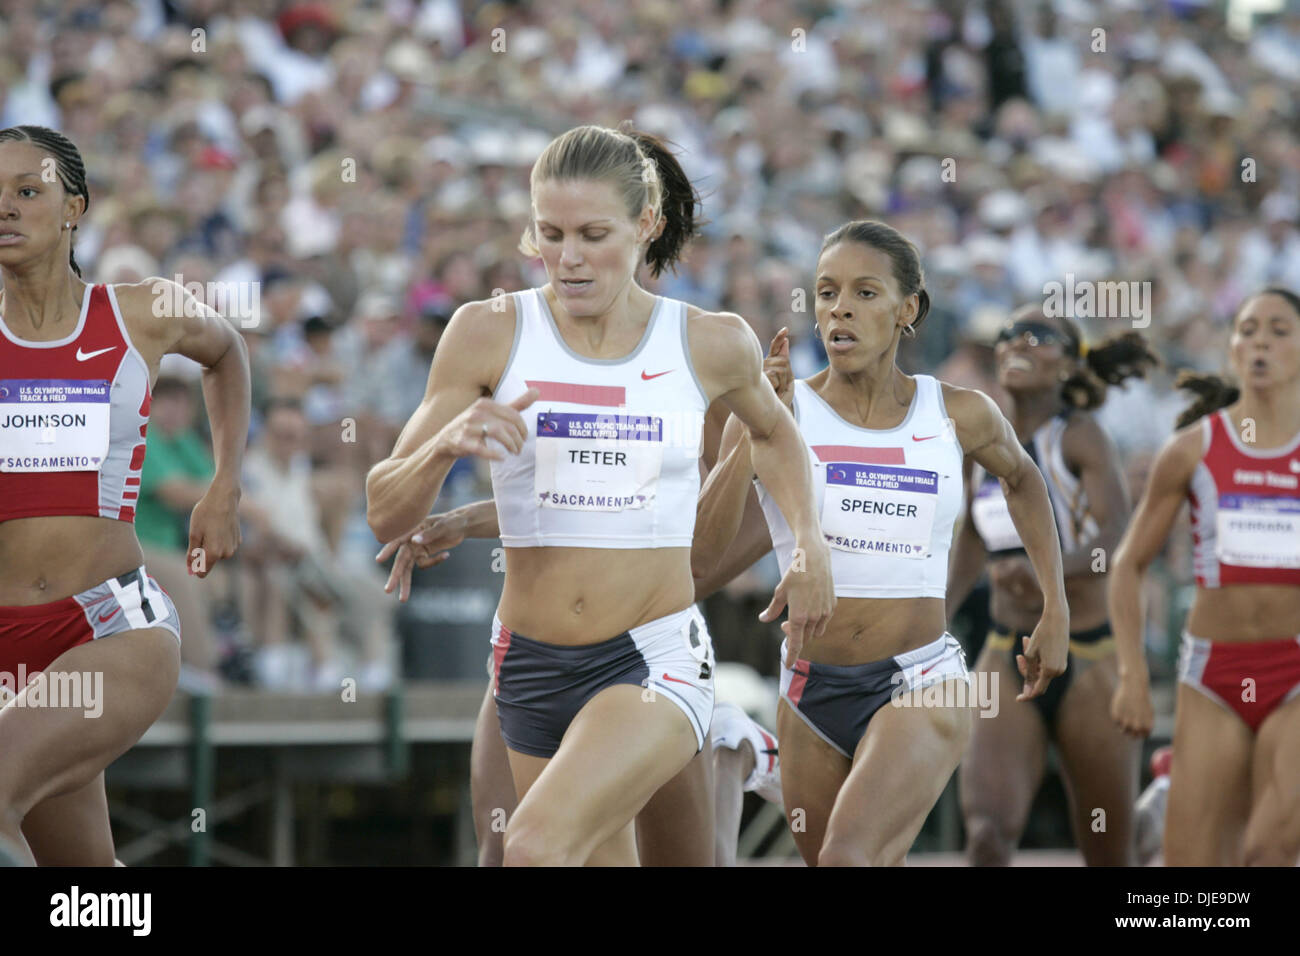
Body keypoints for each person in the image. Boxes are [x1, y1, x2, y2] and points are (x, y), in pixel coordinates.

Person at [365, 124, 834, 866]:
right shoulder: (487, 332)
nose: (568, 257)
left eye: (592, 234)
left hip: (650, 657)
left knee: (531, 848)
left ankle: (724, 741)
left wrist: (807, 546)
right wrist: (443, 450)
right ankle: (734, 753)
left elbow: (776, 436)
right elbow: (384, 509)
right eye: (549, 234)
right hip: (525, 663)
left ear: (646, 225)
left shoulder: (708, 342)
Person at [692, 220, 1070, 866]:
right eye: (826, 292)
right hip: (810, 691)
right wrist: (750, 433)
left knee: (848, 857)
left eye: (865, 293)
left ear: (908, 310)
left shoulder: (958, 412)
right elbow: (700, 566)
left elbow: (1024, 480)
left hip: (922, 679)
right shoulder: (784, 414)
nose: (839, 307)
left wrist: (1053, 605)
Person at [0, 125, 250, 865]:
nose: (5, 209)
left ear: (74, 207)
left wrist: (224, 485)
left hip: (108, 627)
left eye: (26, 191)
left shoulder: (141, 311)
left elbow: (227, 351)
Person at [947, 304, 1159, 865]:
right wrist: (928, 620)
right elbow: (969, 542)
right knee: (987, 836)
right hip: (1005, 650)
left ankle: (1150, 829)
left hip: (1089, 654)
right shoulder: (979, 443)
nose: (1019, 341)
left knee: (1107, 851)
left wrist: (1048, 571)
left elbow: (1117, 542)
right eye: (1009, 332)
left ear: (1068, 364)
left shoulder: (1082, 438)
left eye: (1038, 335)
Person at [1110, 288, 1300, 867]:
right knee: (1193, 878)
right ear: (1232, 349)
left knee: (1268, 849)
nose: (1260, 340)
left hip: (1294, 669)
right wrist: (1133, 676)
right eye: (1247, 329)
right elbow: (1126, 566)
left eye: (1278, 329)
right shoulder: (1192, 448)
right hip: (1212, 672)